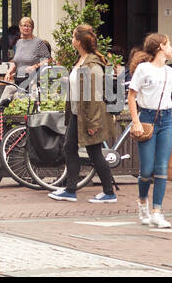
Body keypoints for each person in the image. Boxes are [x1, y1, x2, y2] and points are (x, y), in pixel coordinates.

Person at [49, 25, 119, 203]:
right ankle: (71, 189)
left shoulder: (91, 65)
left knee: (94, 152)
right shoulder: (81, 61)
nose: (71, 39)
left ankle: (108, 193)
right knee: (70, 148)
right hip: (76, 114)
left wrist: (93, 123)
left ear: (78, 42)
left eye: (73, 37)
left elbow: (94, 97)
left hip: (87, 116)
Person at [128, 33, 172, 229]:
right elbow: (132, 96)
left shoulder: (170, 72)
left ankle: (157, 211)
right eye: (169, 44)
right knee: (147, 170)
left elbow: (169, 101)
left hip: (165, 119)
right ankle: (142, 201)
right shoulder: (143, 69)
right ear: (160, 48)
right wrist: (136, 121)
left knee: (162, 167)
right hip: (147, 118)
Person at [6, 17, 51, 88]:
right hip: (18, 79)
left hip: (33, 82)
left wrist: (35, 66)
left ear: (32, 28)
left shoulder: (38, 42)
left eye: (29, 26)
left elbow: (48, 59)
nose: (26, 28)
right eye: (24, 25)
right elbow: (16, 62)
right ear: (20, 27)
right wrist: (9, 71)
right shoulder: (18, 43)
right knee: (9, 90)